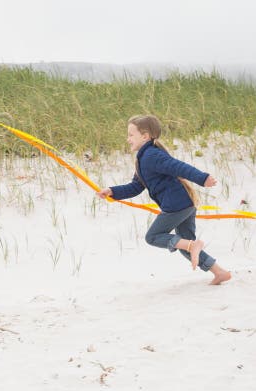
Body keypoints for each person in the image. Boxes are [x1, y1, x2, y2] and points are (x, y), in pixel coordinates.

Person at [96, 115, 232, 285]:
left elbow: (178, 167)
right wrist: (112, 191)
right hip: (184, 204)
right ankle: (219, 272)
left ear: (145, 136)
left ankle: (194, 246)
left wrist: (202, 178)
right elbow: (136, 186)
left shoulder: (152, 155)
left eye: (131, 135)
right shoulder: (143, 158)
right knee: (185, 244)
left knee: (153, 236)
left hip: (176, 205)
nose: (127, 139)